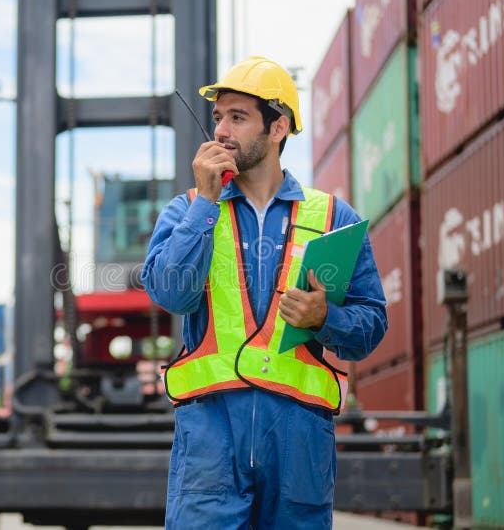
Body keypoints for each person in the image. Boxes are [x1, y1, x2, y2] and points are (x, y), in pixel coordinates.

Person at [142, 55, 387, 530]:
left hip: (298, 445)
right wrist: (206, 205)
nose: (221, 132)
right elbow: (171, 295)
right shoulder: (189, 209)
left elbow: (371, 324)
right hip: (211, 440)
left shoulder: (335, 218)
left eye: (238, 117)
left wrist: (325, 319)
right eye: (218, 118)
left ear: (278, 128)